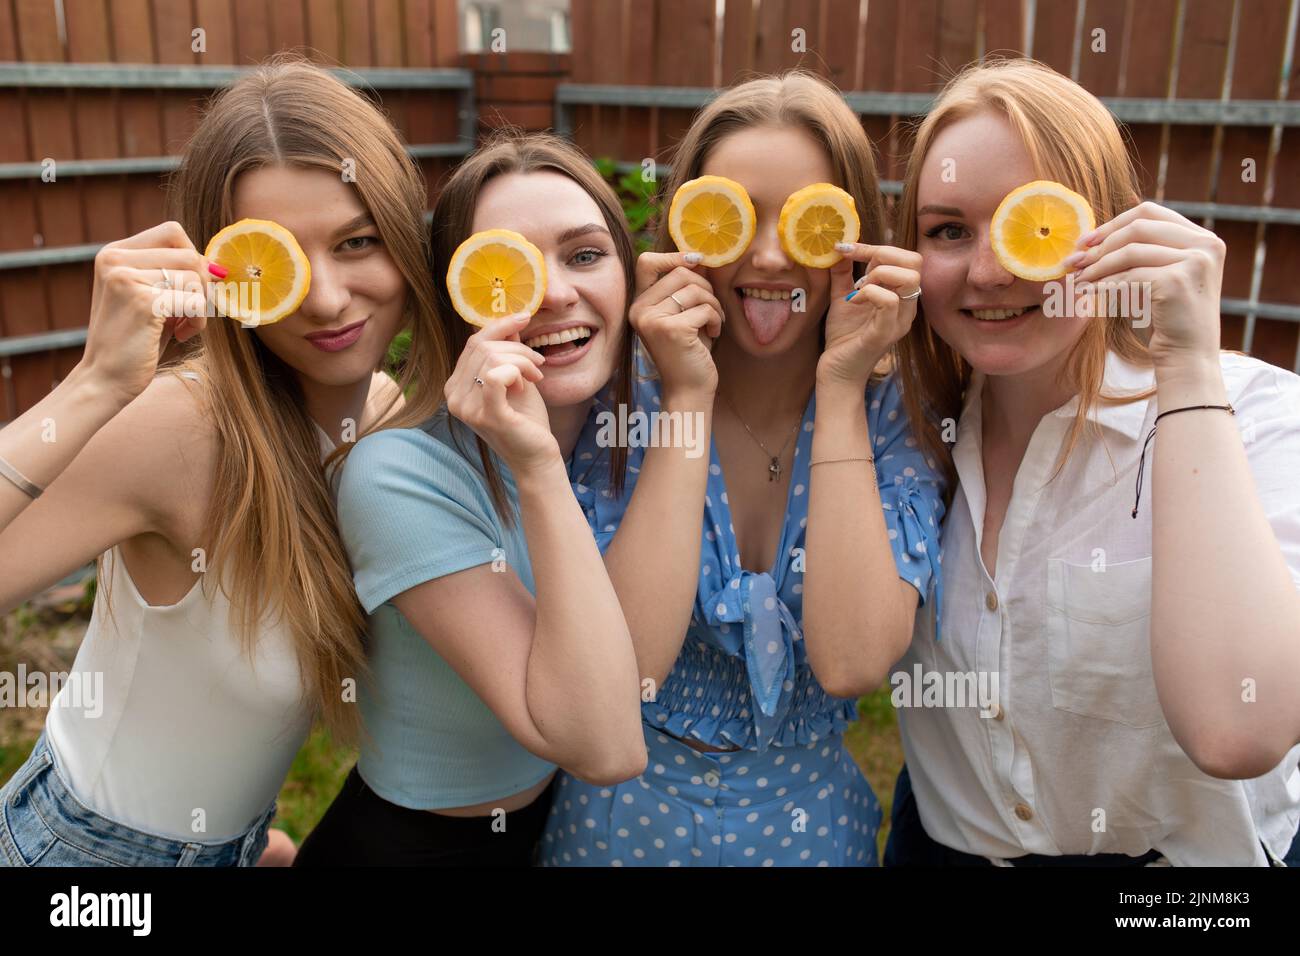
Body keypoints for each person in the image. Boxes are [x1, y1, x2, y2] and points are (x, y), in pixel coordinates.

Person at [0, 56, 442, 867]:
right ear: (223, 272)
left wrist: (236, 843)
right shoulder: (188, 426)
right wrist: (94, 385)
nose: (328, 298)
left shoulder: (388, 419)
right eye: (283, 258)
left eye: (357, 240)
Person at [887, 57, 1300, 867]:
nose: (989, 270)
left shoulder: (1257, 418)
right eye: (947, 230)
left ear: (1117, 227)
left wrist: (1184, 361)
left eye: (1032, 225)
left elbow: (1239, 731)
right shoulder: (901, 432)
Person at [542, 71, 944, 866]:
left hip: (811, 834)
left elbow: (853, 661)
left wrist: (840, 384)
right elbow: (626, 670)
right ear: (686, 228)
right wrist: (688, 390)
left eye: (806, 222)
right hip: (621, 821)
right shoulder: (628, 397)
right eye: (732, 217)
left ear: (855, 233)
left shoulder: (892, 412)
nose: (766, 254)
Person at [293, 132, 647, 867]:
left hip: (558, 835)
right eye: (503, 272)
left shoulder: (628, 431)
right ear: (451, 303)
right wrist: (539, 469)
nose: (553, 293)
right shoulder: (398, 473)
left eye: (585, 255)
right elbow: (604, 744)